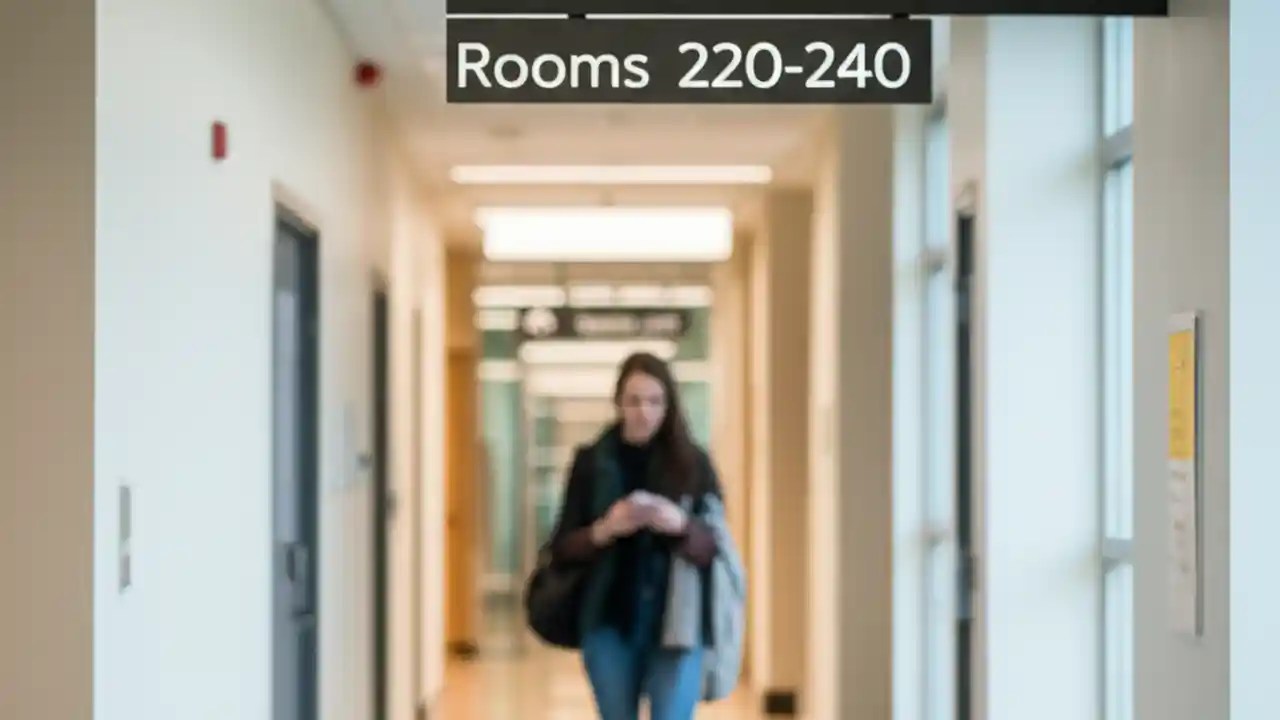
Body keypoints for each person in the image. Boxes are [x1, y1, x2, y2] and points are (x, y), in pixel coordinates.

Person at [548, 351, 723, 720]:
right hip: (609, 621)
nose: (644, 411)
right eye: (634, 400)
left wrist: (680, 524)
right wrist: (605, 529)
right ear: (618, 403)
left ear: (669, 405)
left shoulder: (693, 463)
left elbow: (713, 546)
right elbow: (562, 547)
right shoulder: (592, 462)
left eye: (655, 401)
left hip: (677, 623)